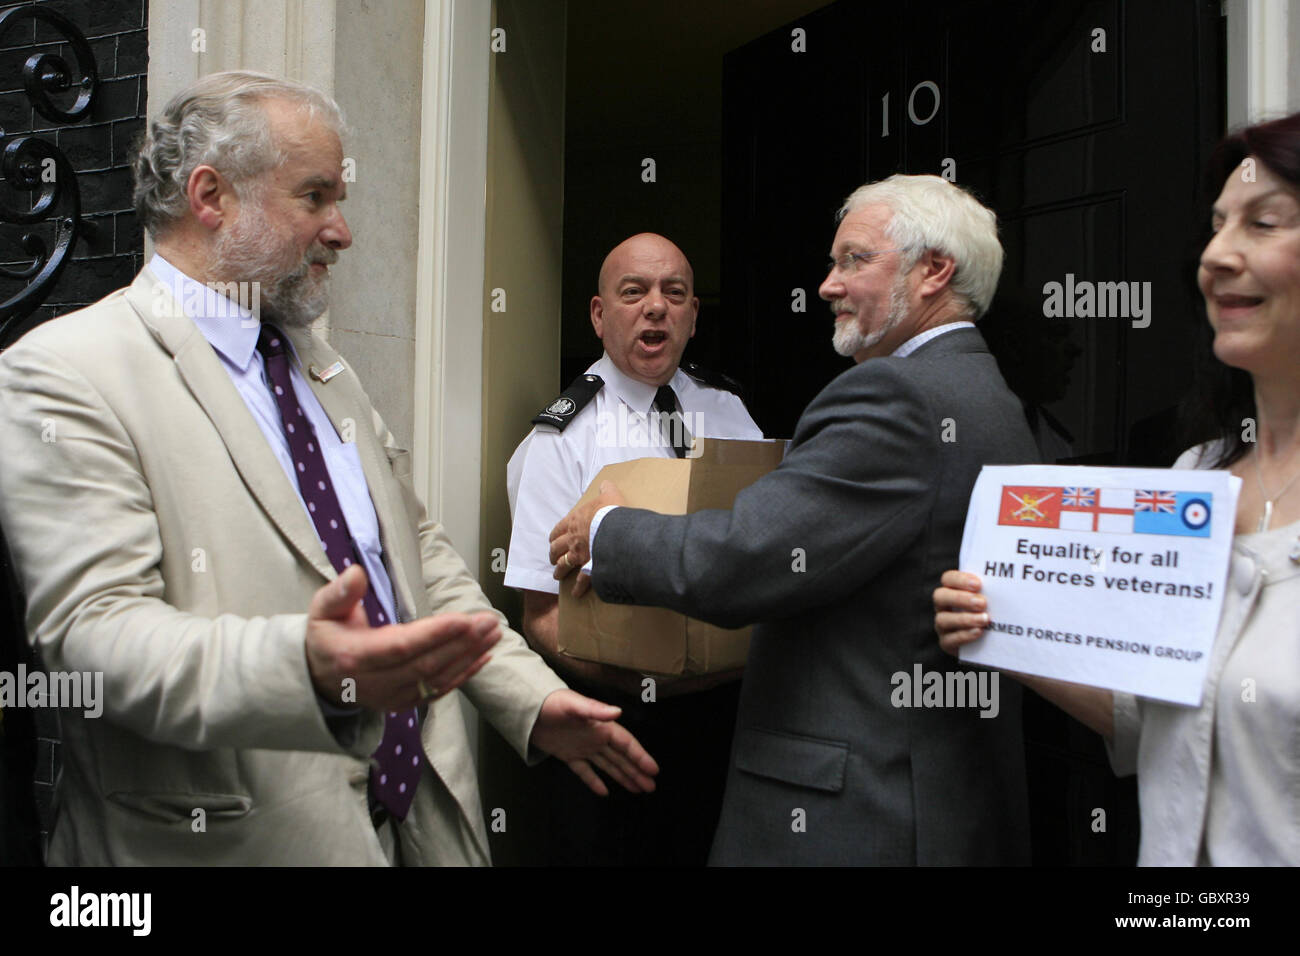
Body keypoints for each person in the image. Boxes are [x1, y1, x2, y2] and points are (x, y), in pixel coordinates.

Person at [0, 70, 657, 866]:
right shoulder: (65, 372)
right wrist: (305, 668)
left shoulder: (319, 367)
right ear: (212, 197)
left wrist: (530, 698)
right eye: (314, 197)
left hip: (416, 828)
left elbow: (421, 560)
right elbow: (94, 640)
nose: (341, 230)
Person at [549, 175, 1038, 865]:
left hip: (858, 808)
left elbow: (753, 553)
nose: (828, 286)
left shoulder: (892, 393)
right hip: (936, 794)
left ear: (934, 271)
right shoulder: (990, 393)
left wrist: (607, 532)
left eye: (853, 260)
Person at [934, 112, 1300, 866]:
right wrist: (1003, 626)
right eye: (1215, 225)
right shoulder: (1194, 479)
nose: (1217, 255)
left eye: (1263, 224)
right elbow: (1146, 717)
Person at [504, 232, 763, 865]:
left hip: (731, 713)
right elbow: (538, 614)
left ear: (694, 315)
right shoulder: (559, 440)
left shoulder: (730, 412)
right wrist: (646, 684)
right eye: (634, 292)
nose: (656, 307)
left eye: (674, 294)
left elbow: (768, 545)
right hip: (615, 725)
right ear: (599, 315)